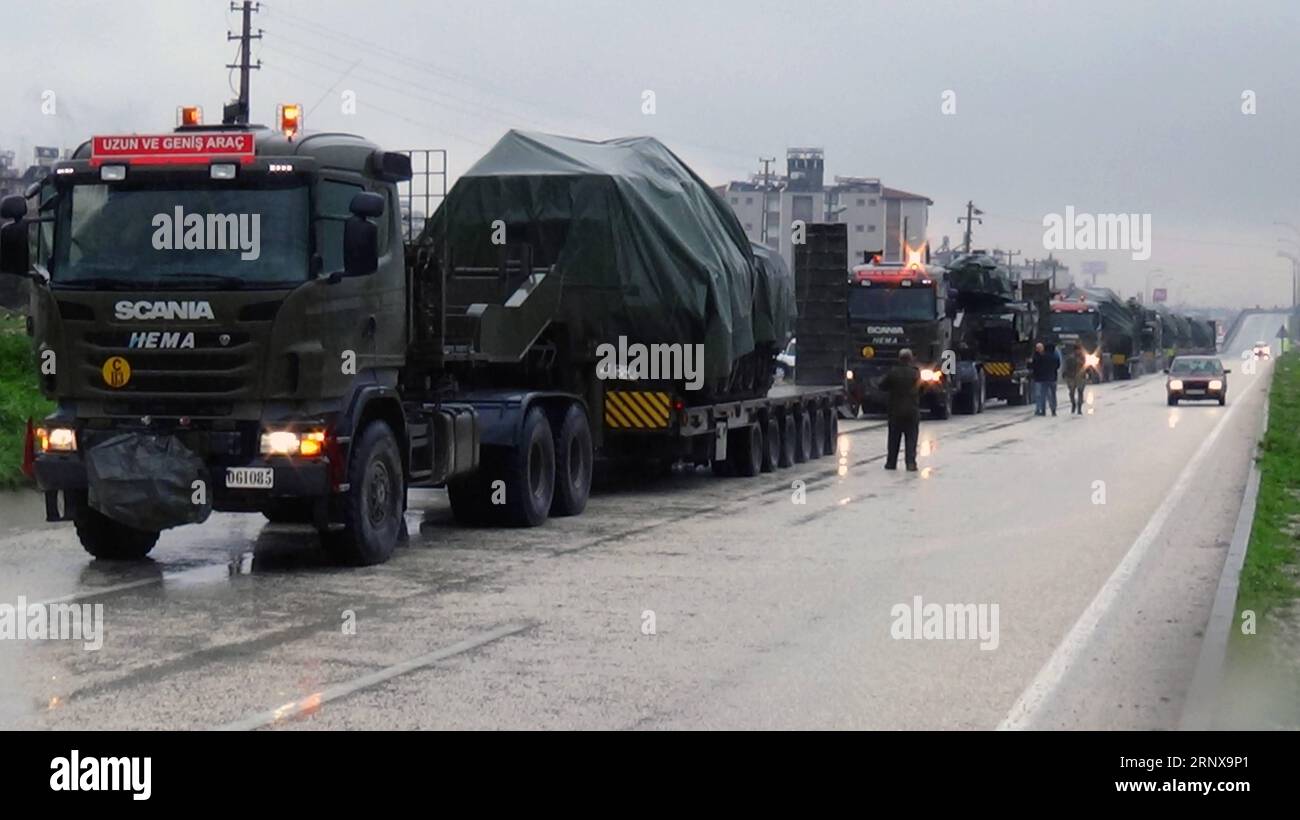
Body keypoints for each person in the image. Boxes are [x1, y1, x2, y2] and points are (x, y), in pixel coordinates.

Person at [880, 348, 921, 471]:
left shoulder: (893, 373)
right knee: (911, 438)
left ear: (899, 359)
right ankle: (910, 463)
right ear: (911, 359)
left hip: (895, 411)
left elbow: (882, 386)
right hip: (912, 411)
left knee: (893, 439)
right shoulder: (916, 373)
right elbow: (923, 389)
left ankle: (891, 463)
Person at [1029, 341, 1060, 416]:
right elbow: (1058, 366)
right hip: (1053, 378)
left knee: (1043, 395)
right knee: (1053, 395)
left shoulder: (1042, 357)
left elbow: (1035, 366)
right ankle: (1053, 410)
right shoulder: (1055, 357)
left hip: (1043, 379)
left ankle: (1043, 411)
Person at [1062, 341, 1087, 414]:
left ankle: (1079, 408)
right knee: (1071, 392)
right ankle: (1073, 403)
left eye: (1079, 350)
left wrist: (1088, 373)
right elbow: (1066, 366)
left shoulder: (1083, 357)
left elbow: (1087, 366)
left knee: (1080, 391)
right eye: (1077, 350)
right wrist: (1065, 373)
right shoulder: (1070, 357)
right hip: (1071, 376)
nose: (1078, 351)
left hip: (1081, 377)